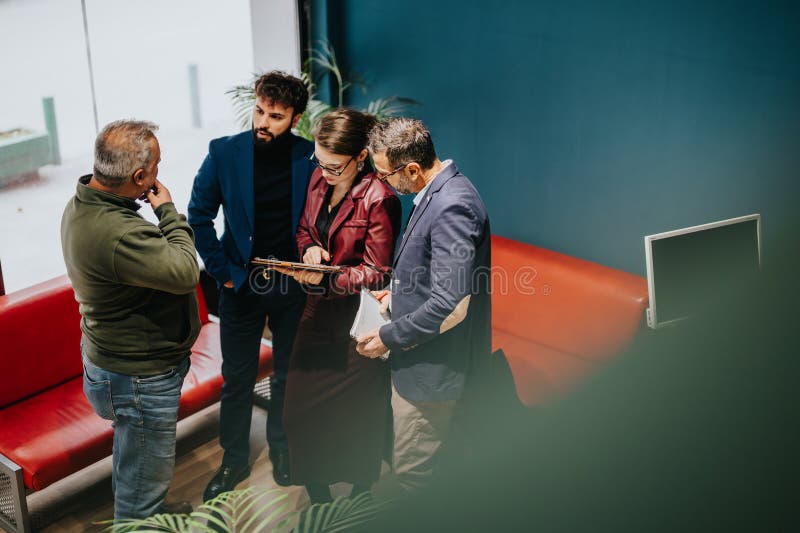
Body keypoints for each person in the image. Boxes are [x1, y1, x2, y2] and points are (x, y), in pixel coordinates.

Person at [60, 120, 200, 519]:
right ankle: (142, 515)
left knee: (135, 460)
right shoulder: (119, 233)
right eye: (156, 166)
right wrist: (168, 212)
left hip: (110, 362)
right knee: (142, 481)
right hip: (137, 378)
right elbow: (186, 271)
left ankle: (146, 505)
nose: (159, 173)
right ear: (139, 177)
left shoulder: (81, 202)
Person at [188, 71, 314, 498]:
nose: (262, 121)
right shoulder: (224, 153)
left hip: (291, 286)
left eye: (275, 116)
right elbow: (198, 214)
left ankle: (282, 448)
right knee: (237, 377)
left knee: (285, 376)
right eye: (260, 110)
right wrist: (221, 271)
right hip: (239, 285)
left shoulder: (310, 157)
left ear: (294, 117)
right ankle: (234, 460)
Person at [356, 117, 492, 494]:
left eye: (384, 175)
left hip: (434, 372)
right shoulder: (437, 191)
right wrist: (399, 295)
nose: (382, 183)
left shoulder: (453, 205)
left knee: (415, 478)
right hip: (424, 360)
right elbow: (434, 273)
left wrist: (388, 336)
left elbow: (452, 303)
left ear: (412, 168)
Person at [275, 109, 401, 504]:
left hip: (359, 321)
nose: (323, 171)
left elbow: (378, 272)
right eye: (319, 161)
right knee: (298, 411)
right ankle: (320, 498)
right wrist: (309, 249)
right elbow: (303, 230)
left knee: (357, 415)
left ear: (360, 157)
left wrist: (328, 277)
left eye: (334, 165)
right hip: (318, 313)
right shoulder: (317, 179)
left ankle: (361, 494)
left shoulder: (381, 199)